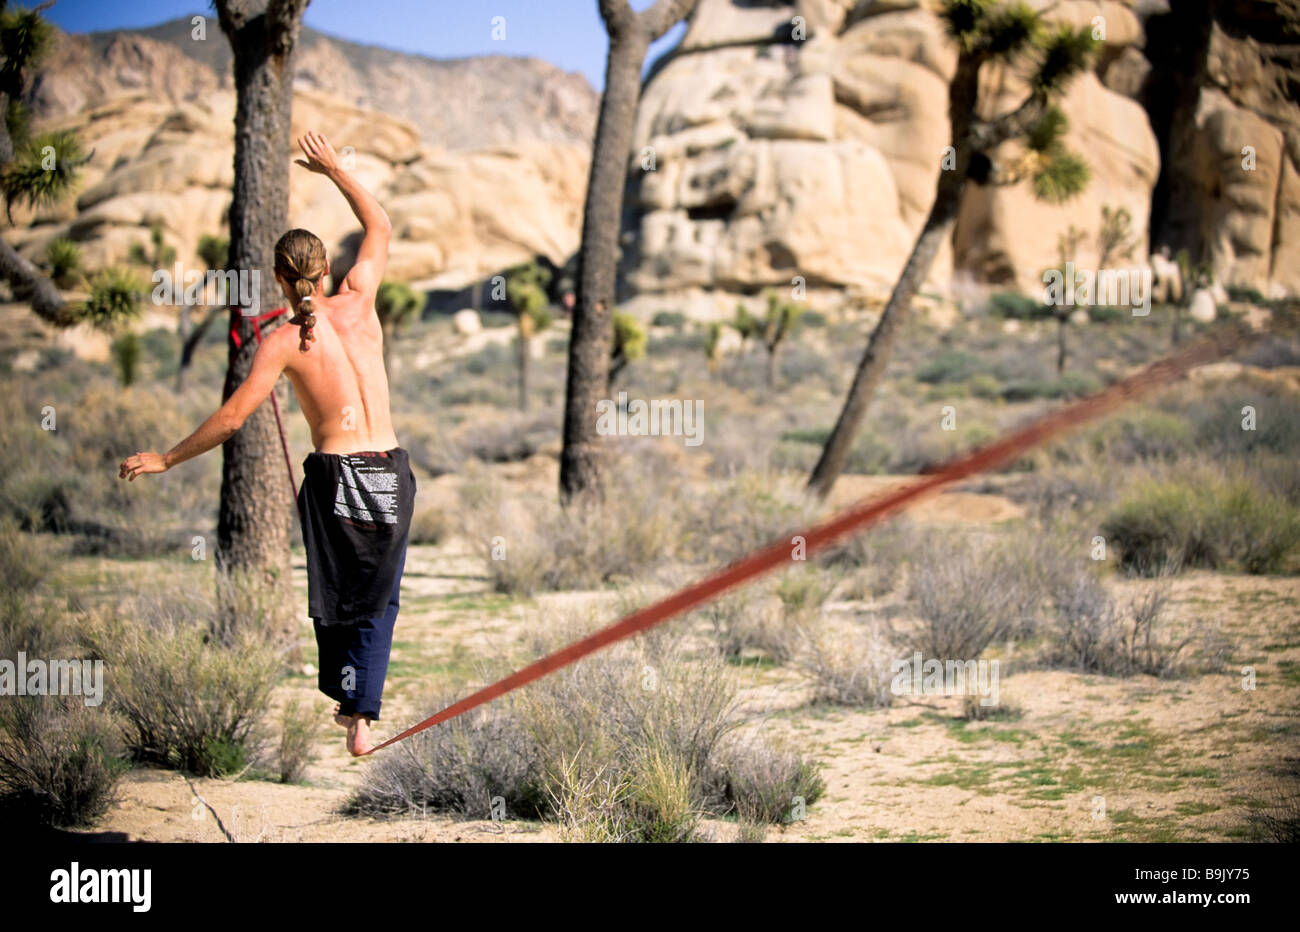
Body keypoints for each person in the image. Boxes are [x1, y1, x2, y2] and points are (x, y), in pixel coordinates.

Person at [118, 131, 415, 756]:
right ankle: (360, 713)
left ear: (280, 278)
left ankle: (351, 703)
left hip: (338, 476)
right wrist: (334, 169)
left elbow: (231, 420)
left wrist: (167, 458)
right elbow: (380, 224)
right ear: (327, 269)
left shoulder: (283, 341)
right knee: (378, 596)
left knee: (336, 591)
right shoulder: (361, 301)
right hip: (390, 470)